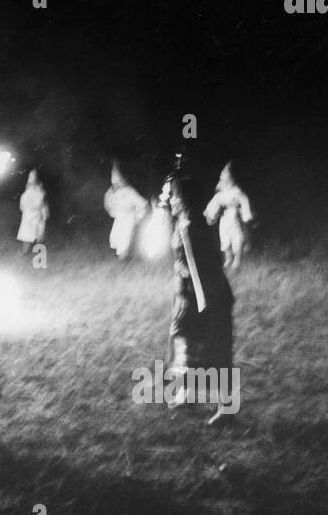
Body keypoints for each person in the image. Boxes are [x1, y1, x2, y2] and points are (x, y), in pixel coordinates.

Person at [162, 171, 235, 423]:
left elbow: (197, 267)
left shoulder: (190, 228)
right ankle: (188, 394)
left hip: (207, 298)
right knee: (187, 347)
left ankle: (227, 410)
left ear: (184, 200)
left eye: (174, 196)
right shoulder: (184, 224)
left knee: (215, 351)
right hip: (192, 297)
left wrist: (204, 304)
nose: (170, 200)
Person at [203, 163, 254, 269]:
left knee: (237, 237)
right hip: (224, 217)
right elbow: (215, 202)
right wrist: (209, 213)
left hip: (234, 215)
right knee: (224, 237)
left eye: (225, 174)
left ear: (231, 178)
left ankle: (237, 259)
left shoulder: (236, 191)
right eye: (222, 174)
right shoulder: (220, 192)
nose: (222, 176)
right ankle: (229, 258)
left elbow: (244, 201)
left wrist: (246, 214)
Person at [104, 162, 149, 260]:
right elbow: (108, 201)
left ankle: (123, 256)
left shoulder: (129, 191)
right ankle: (124, 253)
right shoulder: (111, 192)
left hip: (128, 216)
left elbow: (142, 203)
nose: (117, 184)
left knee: (125, 236)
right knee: (115, 236)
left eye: (119, 182)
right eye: (115, 182)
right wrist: (112, 210)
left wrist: (139, 216)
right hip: (119, 216)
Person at [16, 170, 49, 254]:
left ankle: (35, 250)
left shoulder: (38, 190)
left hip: (34, 214)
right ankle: (27, 250)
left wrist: (43, 211)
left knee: (35, 233)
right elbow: (24, 204)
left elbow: (41, 201)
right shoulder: (30, 191)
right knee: (29, 233)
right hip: (31, 214)